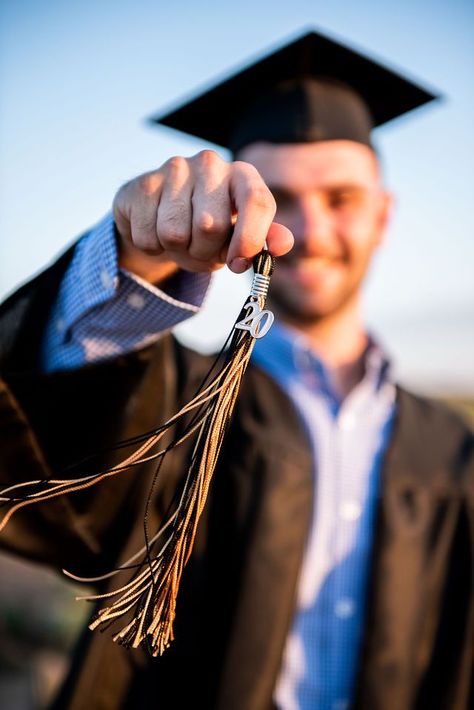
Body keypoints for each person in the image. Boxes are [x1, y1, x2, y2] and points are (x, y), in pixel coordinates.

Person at [0, 30, 473, 710]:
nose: (308, 230)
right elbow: (45, 457)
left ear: (383, 215)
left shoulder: (453, 452)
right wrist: (129, 261)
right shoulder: (173, 406)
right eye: (280, 196)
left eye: (340, 197)